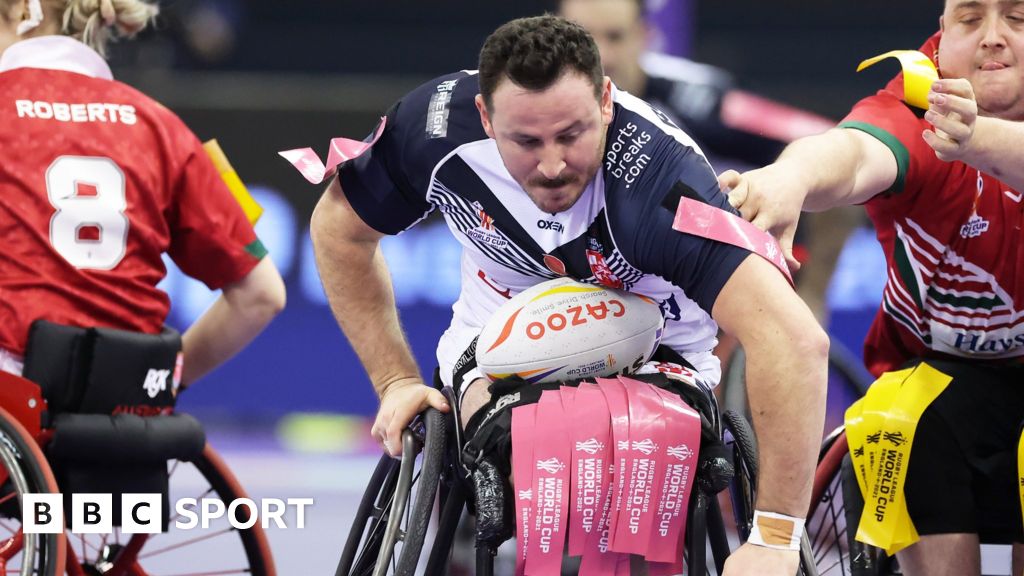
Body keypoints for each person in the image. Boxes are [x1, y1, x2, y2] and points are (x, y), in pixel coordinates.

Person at [310, 15, 827, 575]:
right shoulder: (434, 131)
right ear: (485, 117)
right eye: (526, 141)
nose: (552, 164)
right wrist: (395, 382)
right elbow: (340, 231)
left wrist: (775, 539)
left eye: (571, 135)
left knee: (629, 459)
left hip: (658, 344)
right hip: (500, 339)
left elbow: (794, 341)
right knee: (522, 445)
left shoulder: (661, 187)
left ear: (607, 102)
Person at [720, 0, 1024, 573]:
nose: (992, 38)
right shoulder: (922, 100)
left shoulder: (964, 129)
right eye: (970, 19)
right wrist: (791, 178)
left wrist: (980, 139)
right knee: (895, 422)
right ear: (942, 34)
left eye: (1017, 19)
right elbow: (855, 151)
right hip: (946, 374)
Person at [0, 0, 285, 387]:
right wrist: (162, 384)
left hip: (12, 401)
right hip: (129, 416)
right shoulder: (167, 127)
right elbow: (263, 294)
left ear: (22, 11)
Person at [557, 0, 861, 329]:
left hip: (711, 303)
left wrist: (812, 298)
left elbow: (831, 146)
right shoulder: (525, 108)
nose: (602, 57)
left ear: (644, 36)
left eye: (615, 37)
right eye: (585, 39)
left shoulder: (702, 99)